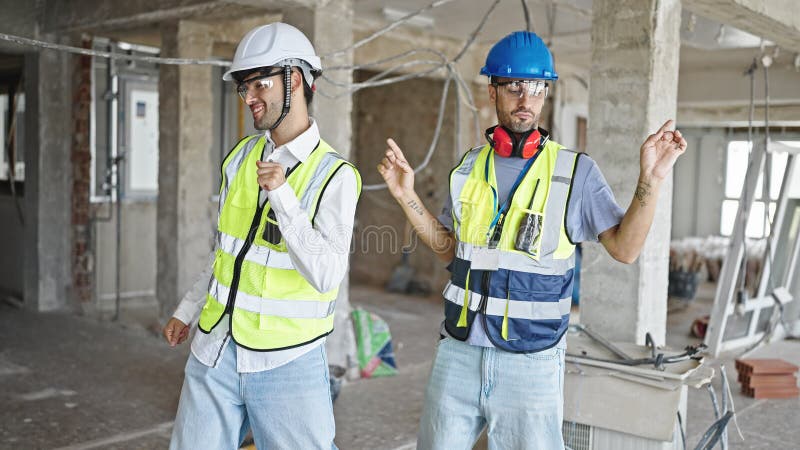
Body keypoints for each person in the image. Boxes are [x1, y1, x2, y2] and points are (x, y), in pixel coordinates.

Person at [377, 30, 686, 449]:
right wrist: (406, 196)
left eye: (537, 87)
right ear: (493, 92)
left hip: (532, 361)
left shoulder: (574, 172)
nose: (526, 98)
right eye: (514, 86)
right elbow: (449, 249)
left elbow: (625, 249)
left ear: (547, 94)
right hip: (459, 349)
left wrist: (651, 179)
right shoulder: (467, 168)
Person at [162, 22, 361, 450]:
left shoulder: (335, 176)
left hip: (287, 359)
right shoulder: (240, 158)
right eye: (243, 87)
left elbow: (326, 274)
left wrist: (285, 199)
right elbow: (227, 251)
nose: (248, 98)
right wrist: (189, 308)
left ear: (294, 80)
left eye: (258, 85)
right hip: (215, 346)